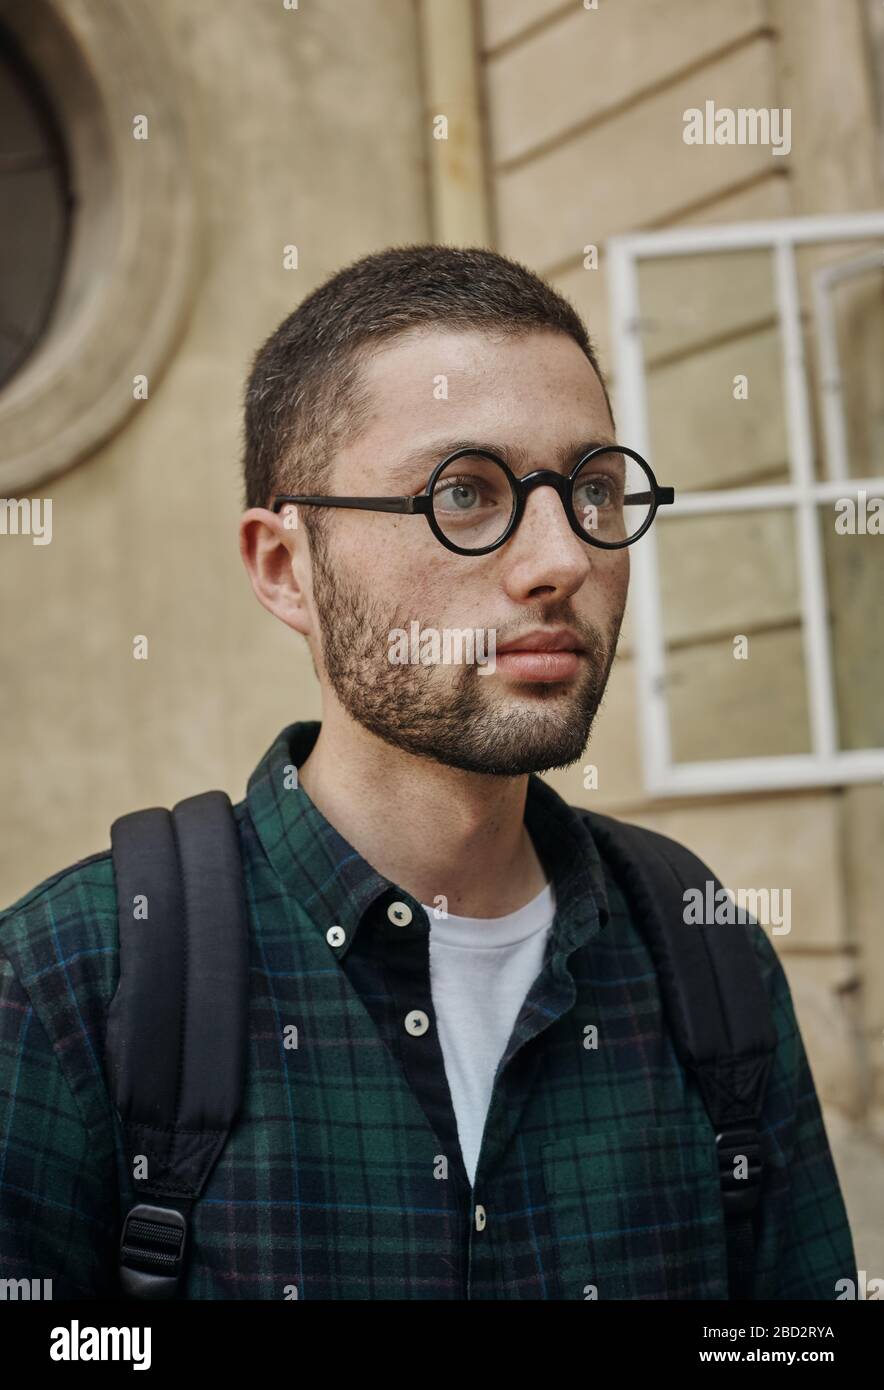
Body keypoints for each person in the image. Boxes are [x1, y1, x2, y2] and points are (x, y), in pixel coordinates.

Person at [0, 245, 855, 1299]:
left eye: (589, 489)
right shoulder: (77, 982)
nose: (561, 558)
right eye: (464, 492)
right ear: (285, 567)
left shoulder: (698, 946)